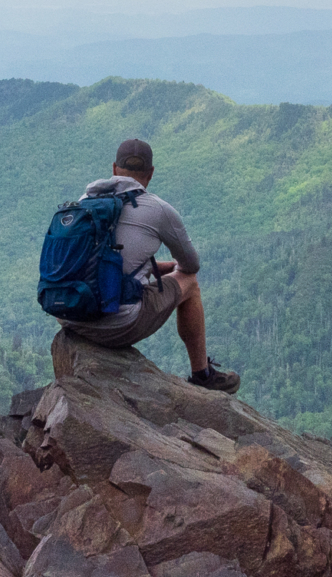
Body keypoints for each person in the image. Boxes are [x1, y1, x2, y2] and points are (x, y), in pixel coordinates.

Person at [58, 138, 240, 393]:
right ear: (150, 174)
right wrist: (173, 267)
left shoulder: (86, 201)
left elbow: (103, 262)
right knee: (191, 284)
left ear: (114, 169)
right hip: (115, 324)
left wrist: (158, 268)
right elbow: (191, 266)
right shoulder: (159, 209)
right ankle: (202, 374)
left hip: (68, 315)